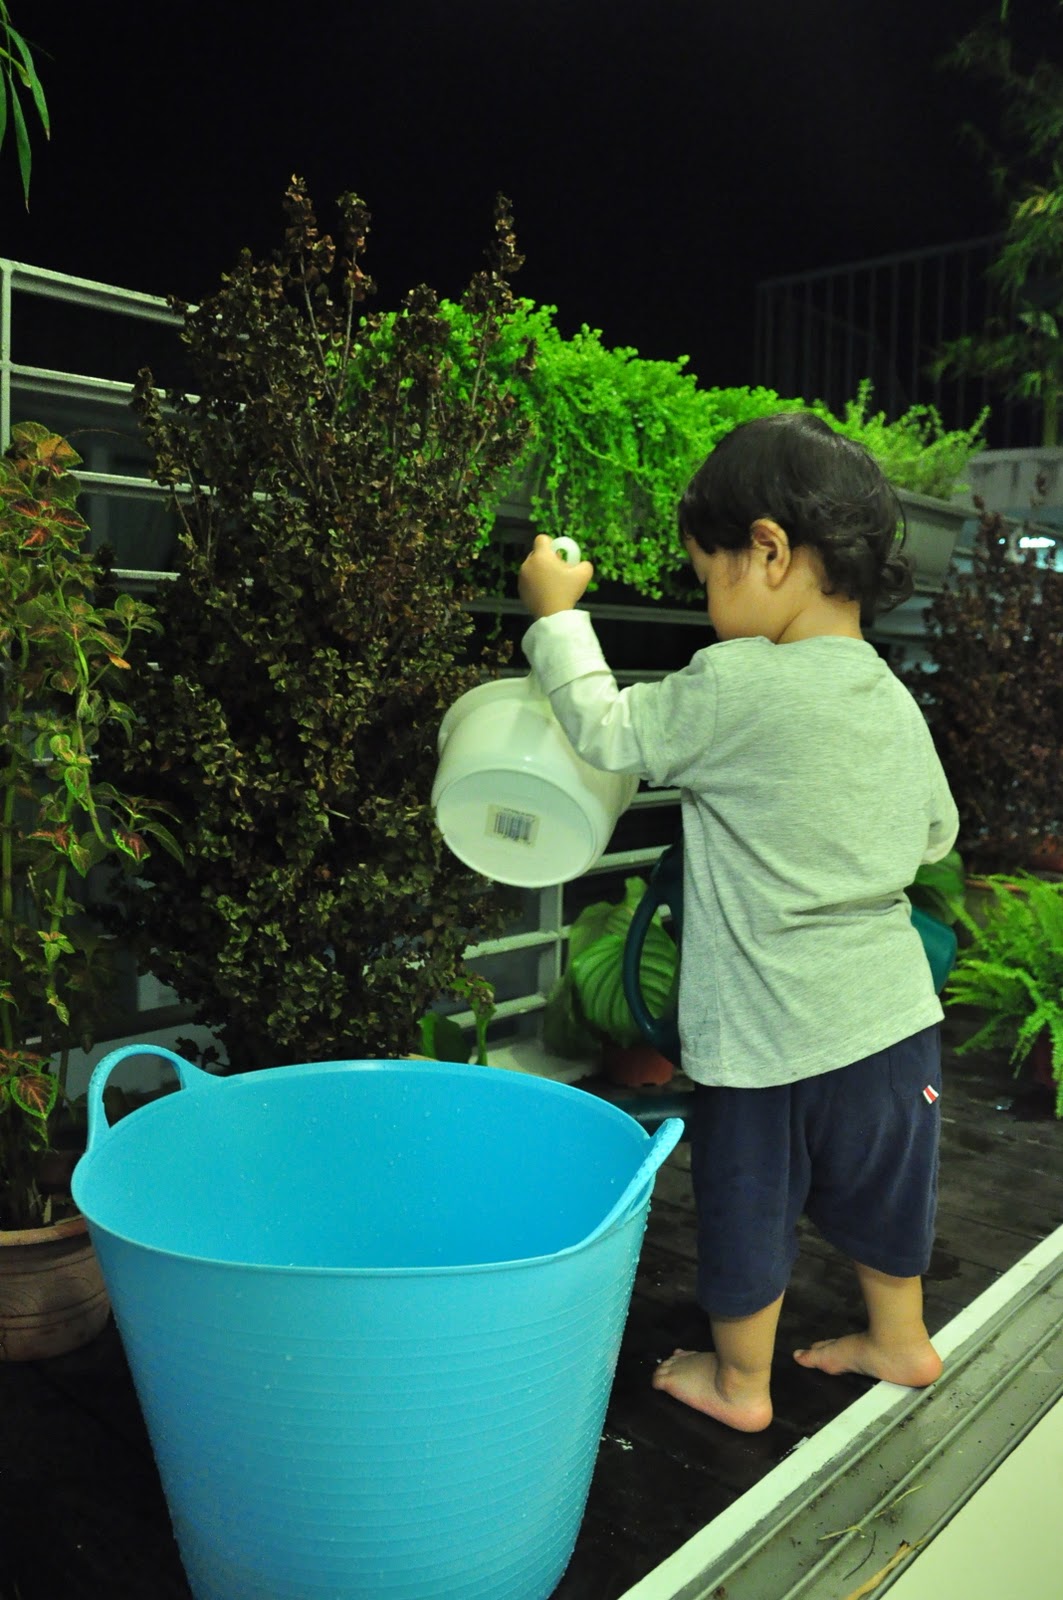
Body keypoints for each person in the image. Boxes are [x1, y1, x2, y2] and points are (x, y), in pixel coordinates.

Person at [518, 411, 959, 1434]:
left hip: (765, 1039)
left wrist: (555, 615)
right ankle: (899, 1338)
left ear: (767, 550)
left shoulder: (733, 683)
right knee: (887, 1188)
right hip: (892, 1022)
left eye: (705, 572)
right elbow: (934, 831)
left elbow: (606, 728)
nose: (707, 599)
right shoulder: (891, 697)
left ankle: (740, 1383)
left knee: (748, 1202)